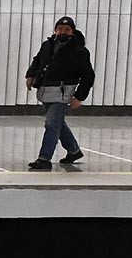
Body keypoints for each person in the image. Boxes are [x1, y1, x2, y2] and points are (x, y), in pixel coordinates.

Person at [25, 16, 94, 170]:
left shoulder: (79, 51)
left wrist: (79, 97)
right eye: (60, 29)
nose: (62, 32)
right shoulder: (47, 45)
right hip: (45, 91)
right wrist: (30, 75)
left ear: (72, 32)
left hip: (63, 94)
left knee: (51, 124)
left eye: (67, 30)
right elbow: (37, 61)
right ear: (55, 30)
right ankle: (74, 151)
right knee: (57, 123)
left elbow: (88, 75)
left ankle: (44, 158)